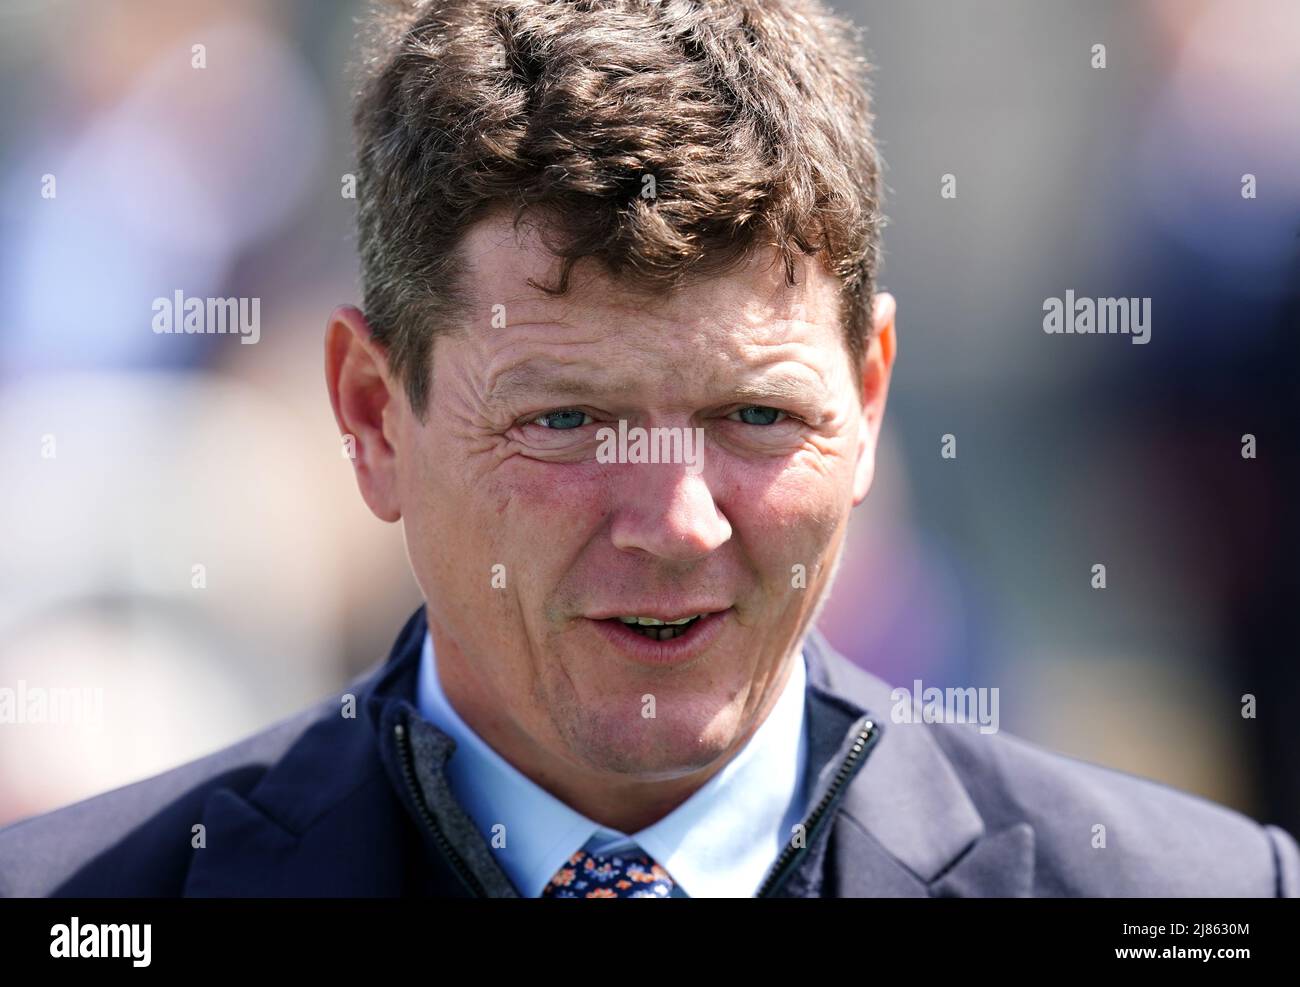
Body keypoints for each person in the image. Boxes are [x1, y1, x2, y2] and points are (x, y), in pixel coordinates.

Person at [2, 0, 1296, 898]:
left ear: (870, 403)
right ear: (371, 419)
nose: (677, 521)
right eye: (563, 420)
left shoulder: (1186, 900)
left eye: (756, 418)